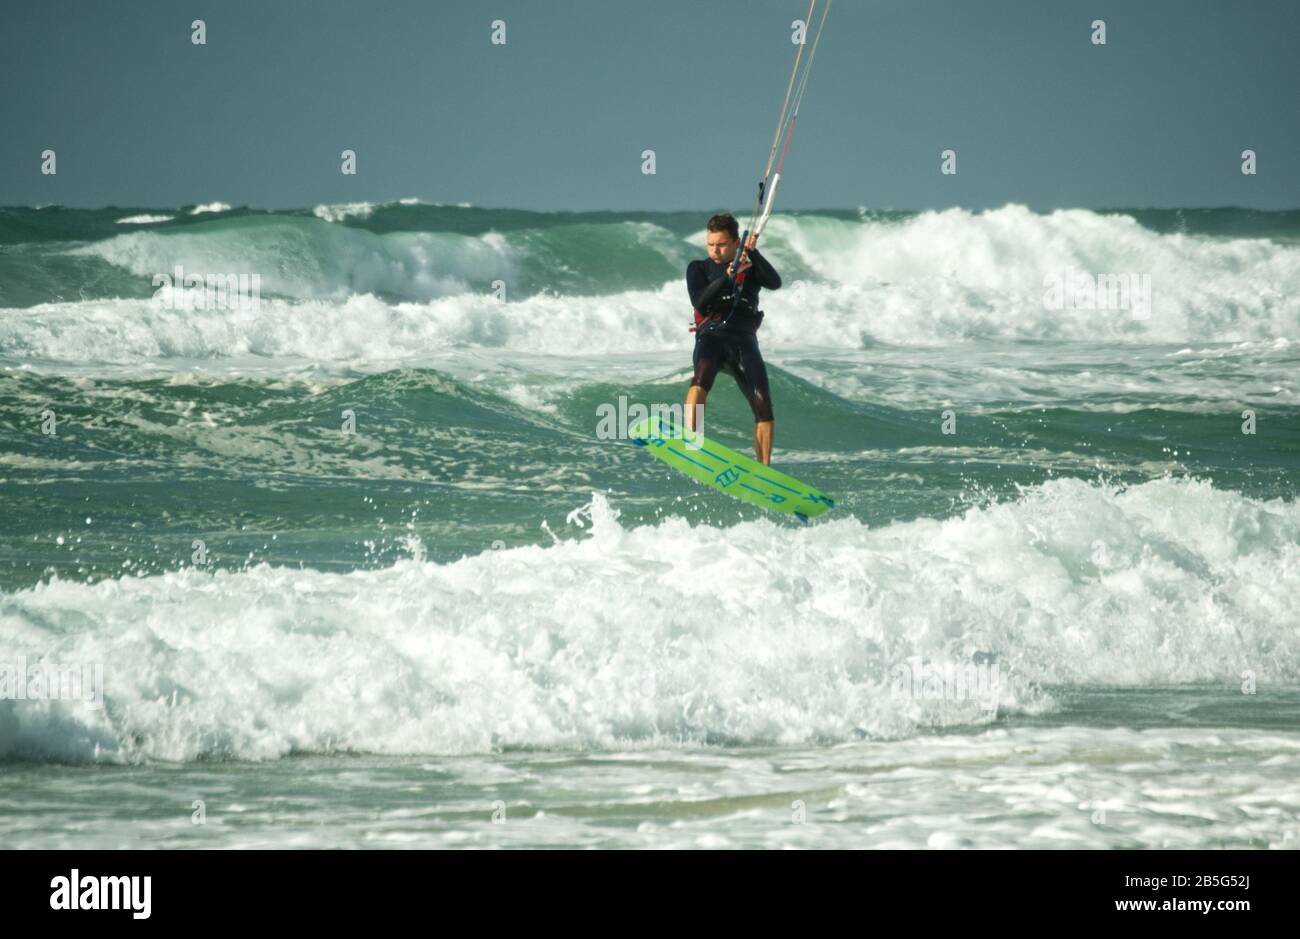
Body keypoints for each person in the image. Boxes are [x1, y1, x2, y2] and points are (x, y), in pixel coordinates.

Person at [684, 212, 781, 464]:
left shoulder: (751, 268)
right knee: (700, 378)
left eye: (721, 244)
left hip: (744, 340)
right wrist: (727, 276)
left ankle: (764, 471)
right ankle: (691, 440)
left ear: (736, 242)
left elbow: (775, 282)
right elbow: (700, 302)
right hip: (712, 336)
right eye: (711, 244)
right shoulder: (699, 268)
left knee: (763, 404)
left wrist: (754, 254)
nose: (714, 250)